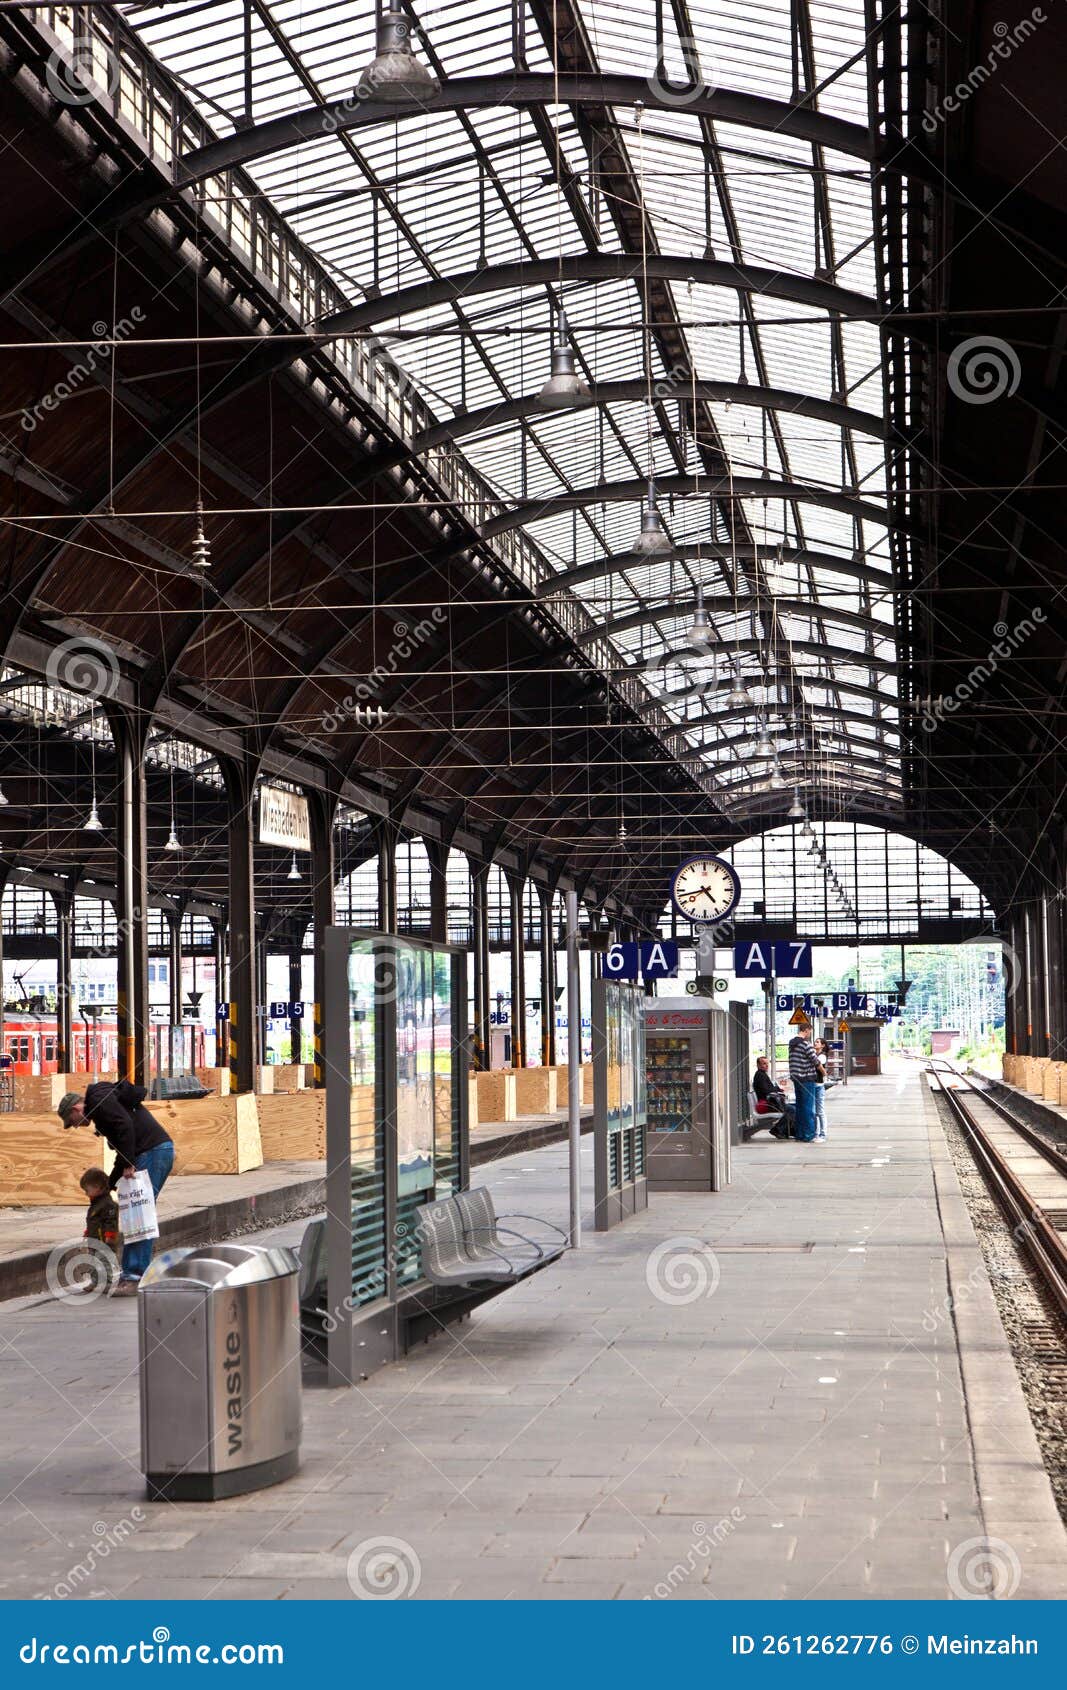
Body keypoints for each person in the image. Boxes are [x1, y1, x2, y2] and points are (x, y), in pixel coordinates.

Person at [57, 1081, 174, 1295]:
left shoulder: (99, 1102)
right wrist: (109, 1185)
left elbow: (125, 1126)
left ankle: (134, 1277)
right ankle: (132, 1273)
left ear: (75, 1109)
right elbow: (122, 1147)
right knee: (135, 1214)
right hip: (153, 1151)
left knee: (139, 1215)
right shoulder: (101, 1108)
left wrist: (129, 1162)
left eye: (71, 1121)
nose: (74, 1126)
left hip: (151, 1152)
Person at [79, 1168, 120, 1289]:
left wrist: (110, 1236)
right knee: (93, 1260)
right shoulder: (96, 1203)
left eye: (87, 1190)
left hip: (103, 1240)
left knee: (104, 1261)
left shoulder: (108, 1204)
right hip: (94, 1239)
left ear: (97, 1187)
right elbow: (93, 1221)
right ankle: (95, 1281)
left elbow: (110, 1221)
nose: (86, 1193)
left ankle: (107, 1281)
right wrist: (87, 1232)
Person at [788, 1023, 820, 1142]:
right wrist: (824, 1072)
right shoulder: (806, 1044)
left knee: (800, 1107)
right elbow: (815, 1061)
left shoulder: (792, 1044)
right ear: (806, 1030)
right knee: (808, 1108)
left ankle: (800, 1134)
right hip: (807, 1079)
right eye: (810, 1032)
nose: (809, 1034)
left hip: (796, 1078)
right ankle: (809, 1135)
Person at [752, 1056, 795, 1136]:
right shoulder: (760, 1075)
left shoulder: (762, 1074)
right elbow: (766, 1091)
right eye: (764, 1064)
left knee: (792, 1107)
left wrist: (778, 1089)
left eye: (767, 1063)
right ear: (758, 1065)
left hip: (768, 1102)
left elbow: (769, 1089)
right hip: (766, 1103)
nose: (767, 1065)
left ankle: (786, 1131)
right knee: (791, 1109)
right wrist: (777, 1089)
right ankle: (778, 1129)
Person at [812, 1037, 829, 1142]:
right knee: (814, 1111)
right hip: (812, 1084)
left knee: (820, 1111)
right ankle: (816, 1133)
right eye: (815, 1041)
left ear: (822, 1045)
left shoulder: (822, 1056)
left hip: (819, 1085)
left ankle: (823, 1133)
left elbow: (818, 1065)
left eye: (818, 1042)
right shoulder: (814, 1054)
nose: (815, 1043)